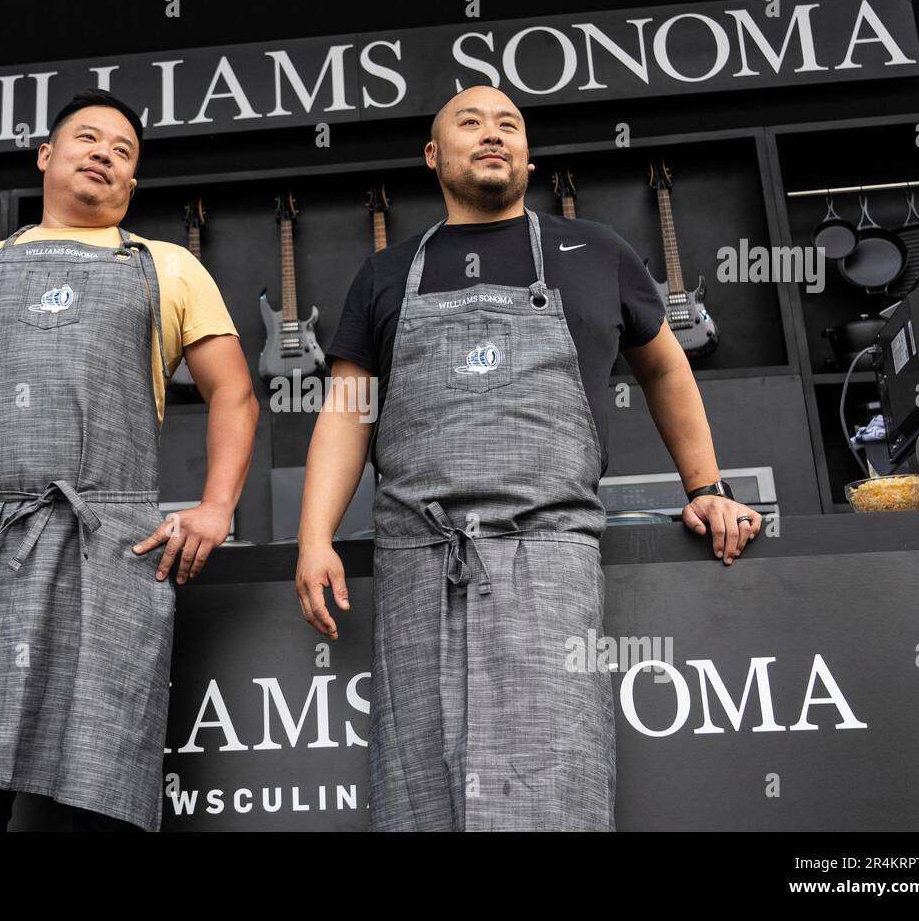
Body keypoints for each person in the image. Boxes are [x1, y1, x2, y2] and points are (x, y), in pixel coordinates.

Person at [295, 85, 763, 831]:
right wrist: (315, 536)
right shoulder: (385, 274)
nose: (493, 134)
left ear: (528, 155)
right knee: (420, 796)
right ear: (432, 154)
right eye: (470, 122)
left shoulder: (597, 251)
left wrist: (707, 485)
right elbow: (348, 412)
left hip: (551, 556)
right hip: (418, 563)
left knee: (552, 786)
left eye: (509, 124)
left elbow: (666, 368)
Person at [0, 89, 259, 831]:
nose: (104, 154)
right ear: (46, 156)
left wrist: (217, 506)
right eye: (88, 138)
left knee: (102, 782)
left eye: (123, 151)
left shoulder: (170, 268)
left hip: (113, 543)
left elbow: (235, 394)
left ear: (132, 183)